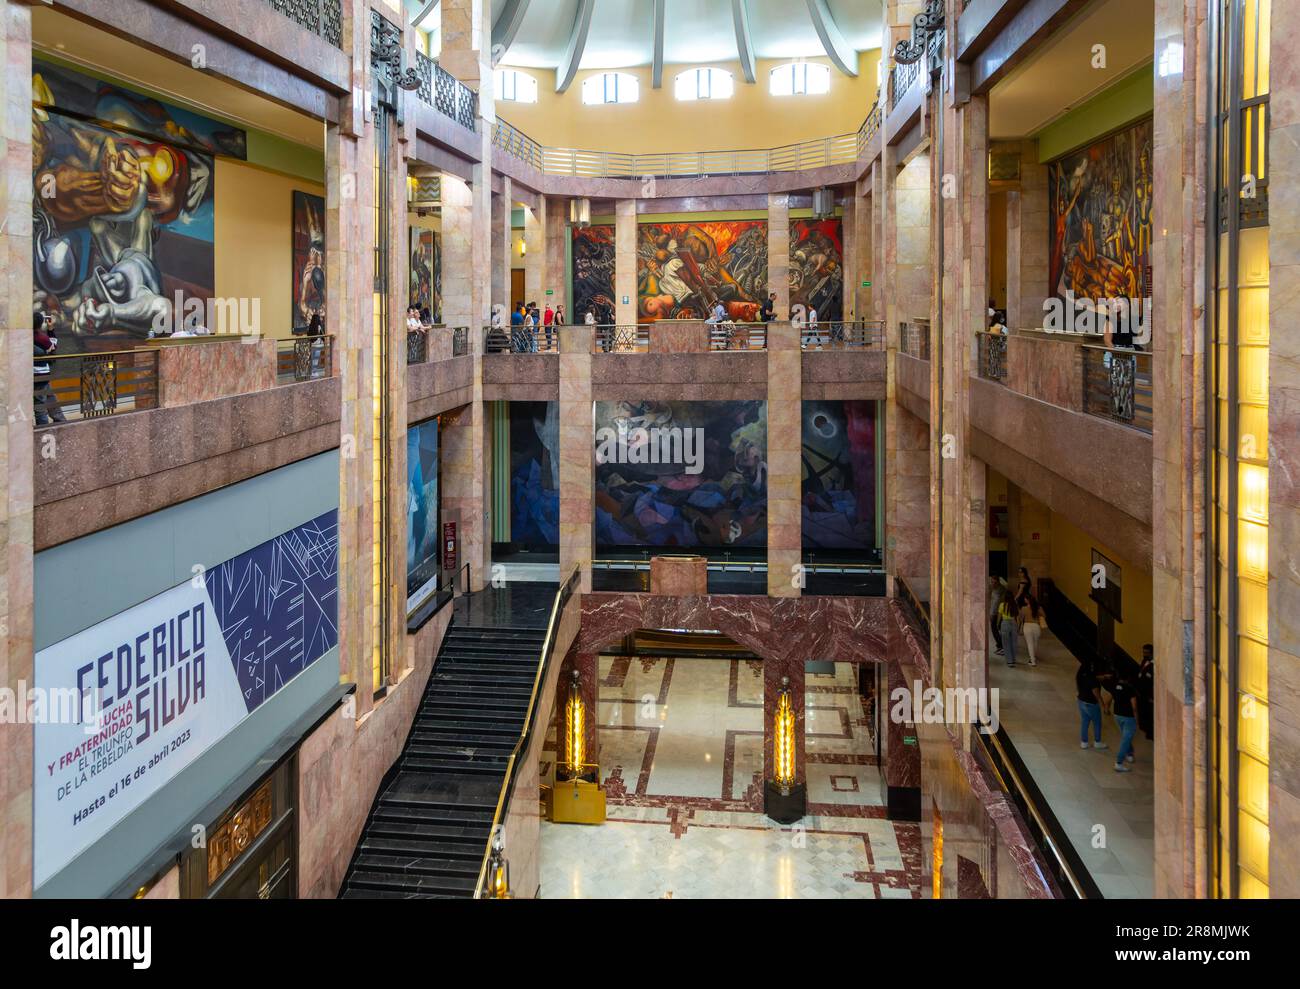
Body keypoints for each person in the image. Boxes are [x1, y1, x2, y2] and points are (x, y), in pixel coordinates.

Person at [1104, 670, 1139, 772]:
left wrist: (1106, 708)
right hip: (1128, 717)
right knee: (1126, 739)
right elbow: (1134, 707)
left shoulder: (1114, 687)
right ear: (1128, 679)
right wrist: (1137, 719)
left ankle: (1130, 754)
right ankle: (1118, 763)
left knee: (1126, 736)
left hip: (1117, 716)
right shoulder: (1130, 689)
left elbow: (1108, 700)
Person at [1076, 662, 1107, 749]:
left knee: (1085, 722)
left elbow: (1090, 678)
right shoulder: (1093, 680)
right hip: (1091, 704)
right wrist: (1103, 706)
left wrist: (1103, 677)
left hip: (1081, 701)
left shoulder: (1080, 675)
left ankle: (1084, 742)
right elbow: (1097, 694)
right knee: (1097, 723)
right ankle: (1097, 742)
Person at [1018, 593, 1046, 666]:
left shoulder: (1024, 608)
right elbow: (1044, 615)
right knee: (1035, 643)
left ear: (1027, 600)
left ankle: (1032, 661)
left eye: (1025, 599)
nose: (1024, 600)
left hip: (1027, 626)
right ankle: (1033, 657)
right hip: (1036, 626)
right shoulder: (1038, 607)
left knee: (1030, 644)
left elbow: (1020, 618)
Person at [1137, 644, 1154, 740]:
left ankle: (1150, 734)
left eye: (1146, 653)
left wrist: (1151, 696)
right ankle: (1143, 728)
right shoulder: (1144, 661)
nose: (1144, 654)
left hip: (1149, 694)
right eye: (1143, 652)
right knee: (1143, 711)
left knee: (1149, 714)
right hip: (1141, 692)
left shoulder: (1154, 665)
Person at [997, 593, 1019, 668]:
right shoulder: (1015, 604)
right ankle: (1013, 659)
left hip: (1005, 623)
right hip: (1013, 623)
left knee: (1006, 643)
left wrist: (998, 625)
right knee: (1014, 642)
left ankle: (1009, 661)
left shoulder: (1002, 605)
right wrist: (1018, 626)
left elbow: (999, 616)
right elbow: (1017, 616)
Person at [988, 575, 1007, 655]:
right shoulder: (993, 588)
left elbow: (998, 602)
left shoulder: (1001, 589)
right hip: (993, 611)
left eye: (993, 582)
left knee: (996, 629)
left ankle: (1001, 646)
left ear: (998, 581)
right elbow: (991, 600)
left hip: (997, 612)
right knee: (995, 629)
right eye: (991, 581)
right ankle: (1000, 645)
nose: (992, 583)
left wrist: (993, 613)